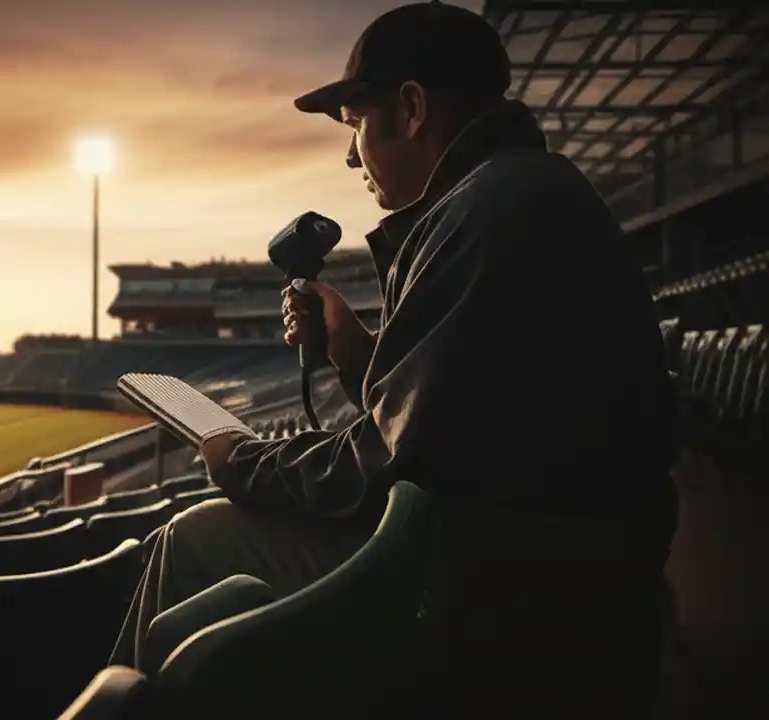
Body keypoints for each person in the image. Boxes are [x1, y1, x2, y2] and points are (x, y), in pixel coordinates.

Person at [108, 1, 678, 714]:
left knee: (192, 541)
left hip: (513, 598)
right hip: (557, 570)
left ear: (411, 108)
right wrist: (356, 356)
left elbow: (389, 467)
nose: (351, 157)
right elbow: (466, 413)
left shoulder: (486, 211)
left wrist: (238, 458)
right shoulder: (519, 191)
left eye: (356, 128)